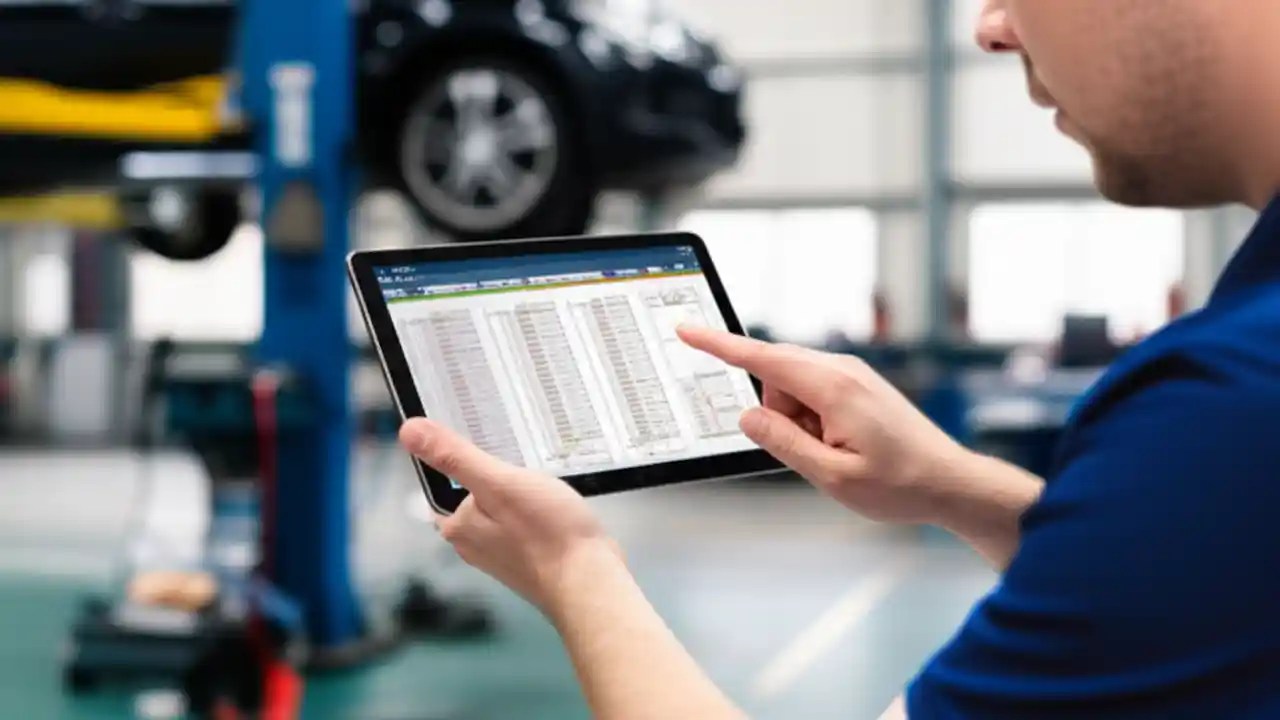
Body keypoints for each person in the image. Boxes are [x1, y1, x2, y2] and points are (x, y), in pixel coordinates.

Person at [397, 1, 1280, 717]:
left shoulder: (1229, 403)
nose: (989, 26)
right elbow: (1205, 583)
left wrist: (572, 571)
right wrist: (954, 486)